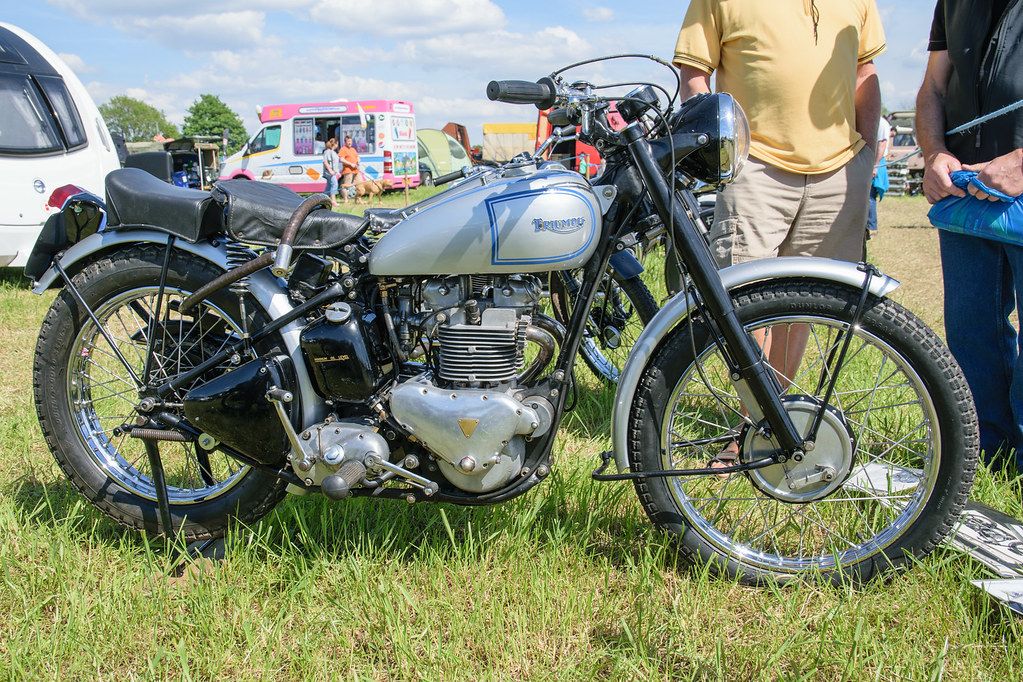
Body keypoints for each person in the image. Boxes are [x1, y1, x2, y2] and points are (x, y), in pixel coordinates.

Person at [674, 0, 885, 466]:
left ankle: (774, 425)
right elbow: (693, 74)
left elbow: (864, 73)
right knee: (745, 307)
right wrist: (723, 155)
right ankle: (752, 428)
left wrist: (868, 154)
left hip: (840, 170)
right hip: (755, 168)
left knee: (802, 307)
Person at [916, 0, 1023, 471]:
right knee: (970, 330)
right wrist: (934, 152)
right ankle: (988, 458)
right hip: (965, 198)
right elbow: (933, 87)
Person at [867, 114, 891, 236]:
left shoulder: (880, 122)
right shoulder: (882, 121)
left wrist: (875, 165)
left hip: (876, 162)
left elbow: (882, 143)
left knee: (869, 196)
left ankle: (871, 227)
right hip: (874, 161)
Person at [338, 135, 360, 205]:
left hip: (356, 170)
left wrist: (358, 161)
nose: (350, 143)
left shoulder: (353, 149)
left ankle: (358, 199)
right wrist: (350, 164)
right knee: (346, 185)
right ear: (345, 142)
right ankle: (346, 200)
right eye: (348, 141)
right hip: (348, 170)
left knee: (359, 184)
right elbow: (341, 159)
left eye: (350, 141)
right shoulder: (343, 149)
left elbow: (357, 156)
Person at [322, 137, 340, 209]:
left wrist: (337, 172)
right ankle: (333, 201)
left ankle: (323, 199)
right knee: (334, 185)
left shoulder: (333, 152)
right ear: (335, 144)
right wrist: (330, 171)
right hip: (329, 173)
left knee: (329, 186)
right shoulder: (327, 152)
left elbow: (335, 163)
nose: (337, 145)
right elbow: (325, 162)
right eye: (337, 144)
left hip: (333, 172)